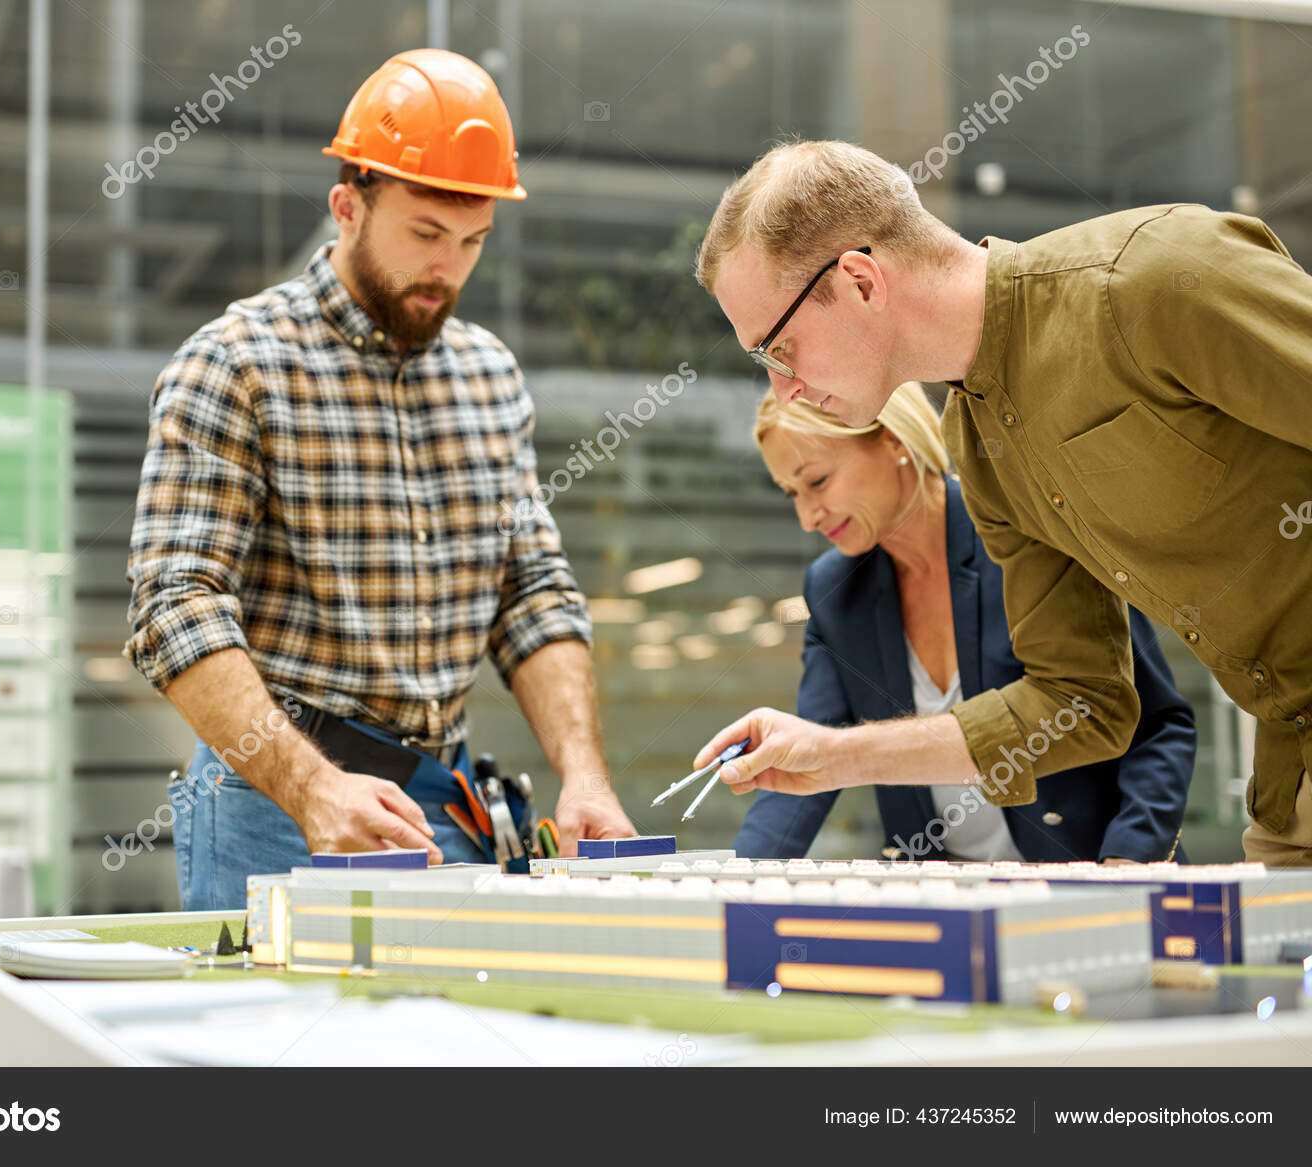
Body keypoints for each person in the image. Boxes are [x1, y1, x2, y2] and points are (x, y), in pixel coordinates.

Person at [692, 138, 1312, 865]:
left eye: (777, 348)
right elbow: (1080, 701)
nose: (782, 388)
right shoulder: (982, 451)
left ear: (860, 280)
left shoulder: (1150, 277)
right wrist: (837, 755)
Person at [124, 49, 634, 906]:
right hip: (273, 801)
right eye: (425, 235)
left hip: (447, 803)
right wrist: (314, 789)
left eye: (472, 241)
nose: (448, 270)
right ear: (347, 206)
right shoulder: (237, 362)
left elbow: (533, 594)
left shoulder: (490, 377)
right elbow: (174, 604)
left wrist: (584, 775)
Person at [732, 383, 1195, 863]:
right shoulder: (834, 590)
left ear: (892, 439)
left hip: (1097, 880)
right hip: (954, 903)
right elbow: (809, 758)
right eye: (791, 493)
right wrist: (724, 886)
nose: (807, 517)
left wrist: (1129, 861)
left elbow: (1159, 725)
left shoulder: (1023, 535)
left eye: (818, 481)